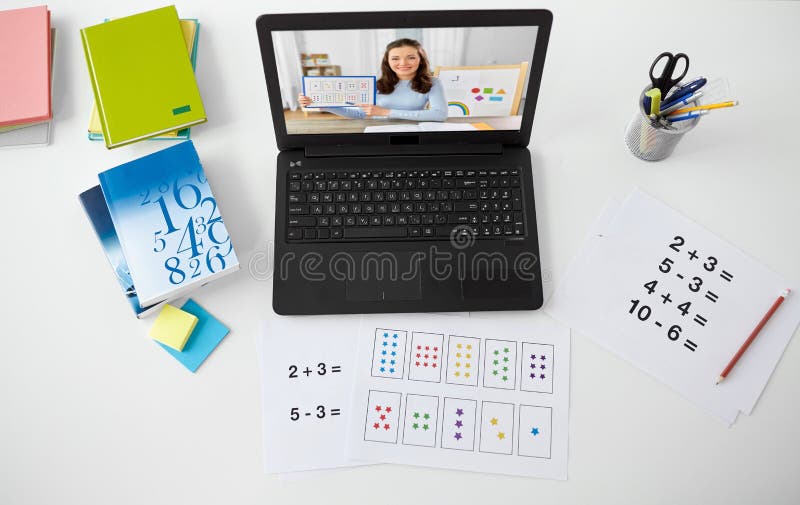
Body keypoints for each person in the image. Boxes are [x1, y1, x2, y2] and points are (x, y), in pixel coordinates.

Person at [298, 38, 447, 121]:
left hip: (414, 136)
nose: (403, 63)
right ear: (387, 61)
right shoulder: (376, 85)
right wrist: (322, 104)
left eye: (411, 57)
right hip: (379, 134)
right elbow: (359, 113)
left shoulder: (433, 83)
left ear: (420, 60)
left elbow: (439, 114)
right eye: (395, 58)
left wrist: (386, 112)